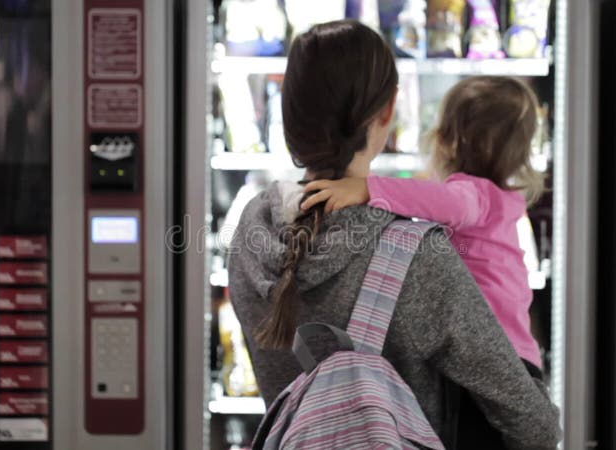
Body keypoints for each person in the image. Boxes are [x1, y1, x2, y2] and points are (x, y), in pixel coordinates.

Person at [227, 20, 561, 449]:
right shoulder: (417, 259)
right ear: (387, 112)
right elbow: (534, 427)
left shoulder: (251, 233)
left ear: (289, 115)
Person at [301, 76, 546, 375]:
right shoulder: (500, 199)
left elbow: (446, 201)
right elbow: (435, 195)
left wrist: (367, 188)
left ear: (447, 139)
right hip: (518, 352)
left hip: (492, 355)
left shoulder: (473, 197)